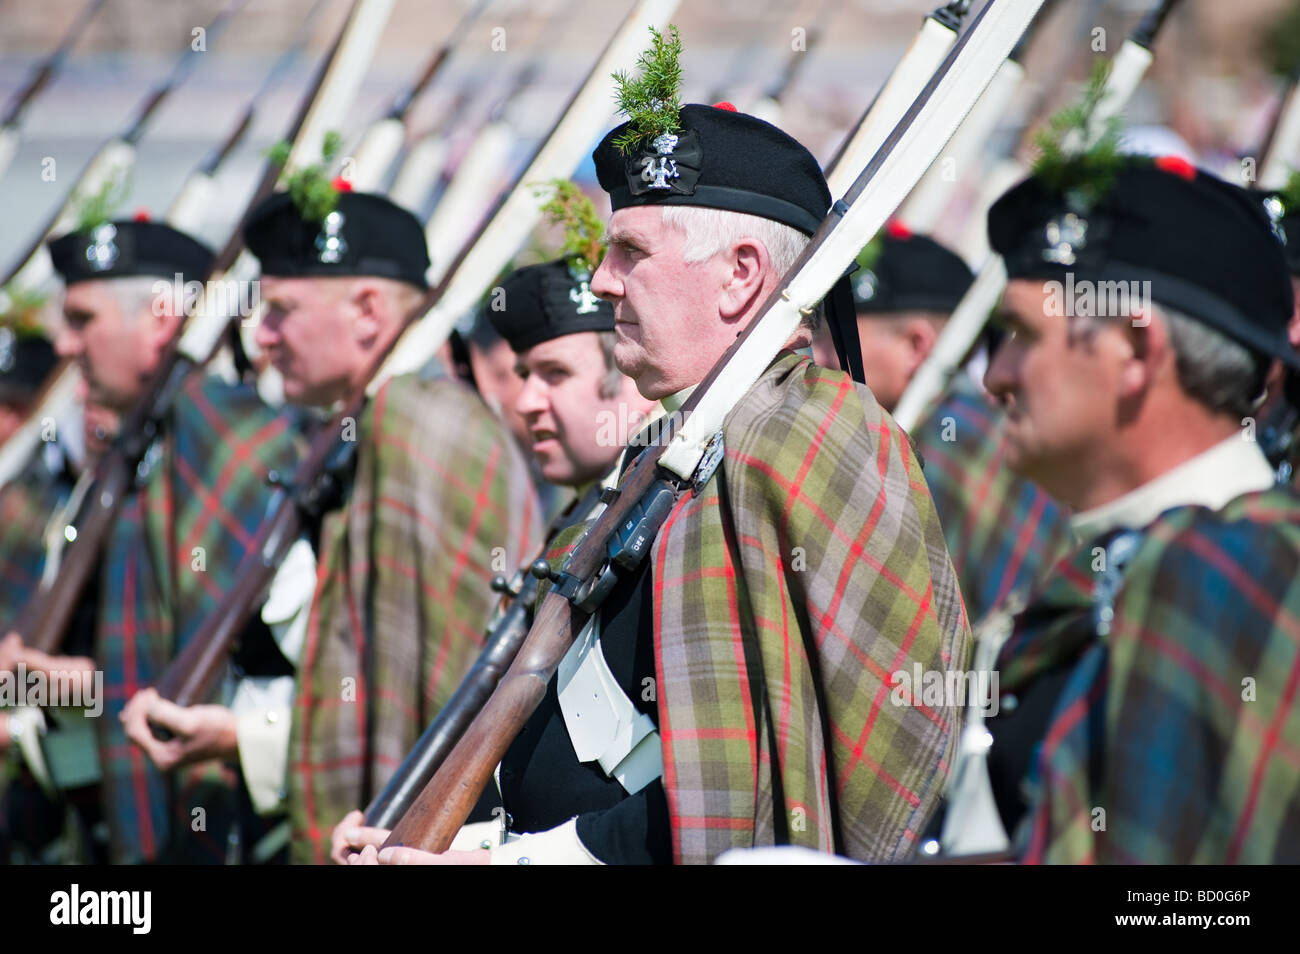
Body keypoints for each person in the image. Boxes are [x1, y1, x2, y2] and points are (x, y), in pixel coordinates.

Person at [357, 76, 971, 864]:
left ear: (741, 274)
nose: (604, 278)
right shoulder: (665, 448)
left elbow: (766, 795)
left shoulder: (804, 430)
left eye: (631, 252)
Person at [152, 186, 543, 865]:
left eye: (281, 310)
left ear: (367, 312)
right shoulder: (367, 420)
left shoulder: (416, 417)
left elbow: (442, 692)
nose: (262, 336)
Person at [937, 152, 1300, 862]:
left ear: (1135, 349)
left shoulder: (1218, 569)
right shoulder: (1142, 561)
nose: (997, 376)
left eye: (1023, 336)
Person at [328, 254, 656, 863]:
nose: (527, 399)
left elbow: (685, 799)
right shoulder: (580, 517)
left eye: (554, 374)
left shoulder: (670, 522)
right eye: (525, 373)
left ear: (631, 383)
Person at [1, 217, 303, 864]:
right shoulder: (137, 453)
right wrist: (35, 685)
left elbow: (261, 666)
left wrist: (71, 687)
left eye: (83, 319)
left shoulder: (234, 443)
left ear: (163, 320)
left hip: (243, 830)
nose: (62, 341)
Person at [839, 223, 1075, 626]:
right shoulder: (977, 432)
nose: (818, 351)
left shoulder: (931, 445)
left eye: (837, 332)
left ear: (915, 347)